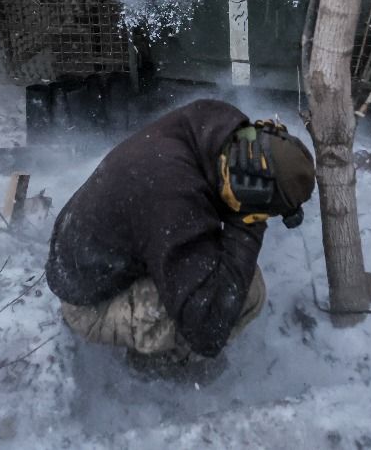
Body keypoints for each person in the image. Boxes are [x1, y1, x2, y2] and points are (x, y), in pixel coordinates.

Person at [45, 99, 316, 377]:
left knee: (226, 269)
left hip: (97, 257)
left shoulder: (220, 128)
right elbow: (207, 330)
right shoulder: (174, 198)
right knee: (244, 292)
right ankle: (157, 369)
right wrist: (247, 221)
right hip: (89, 304)